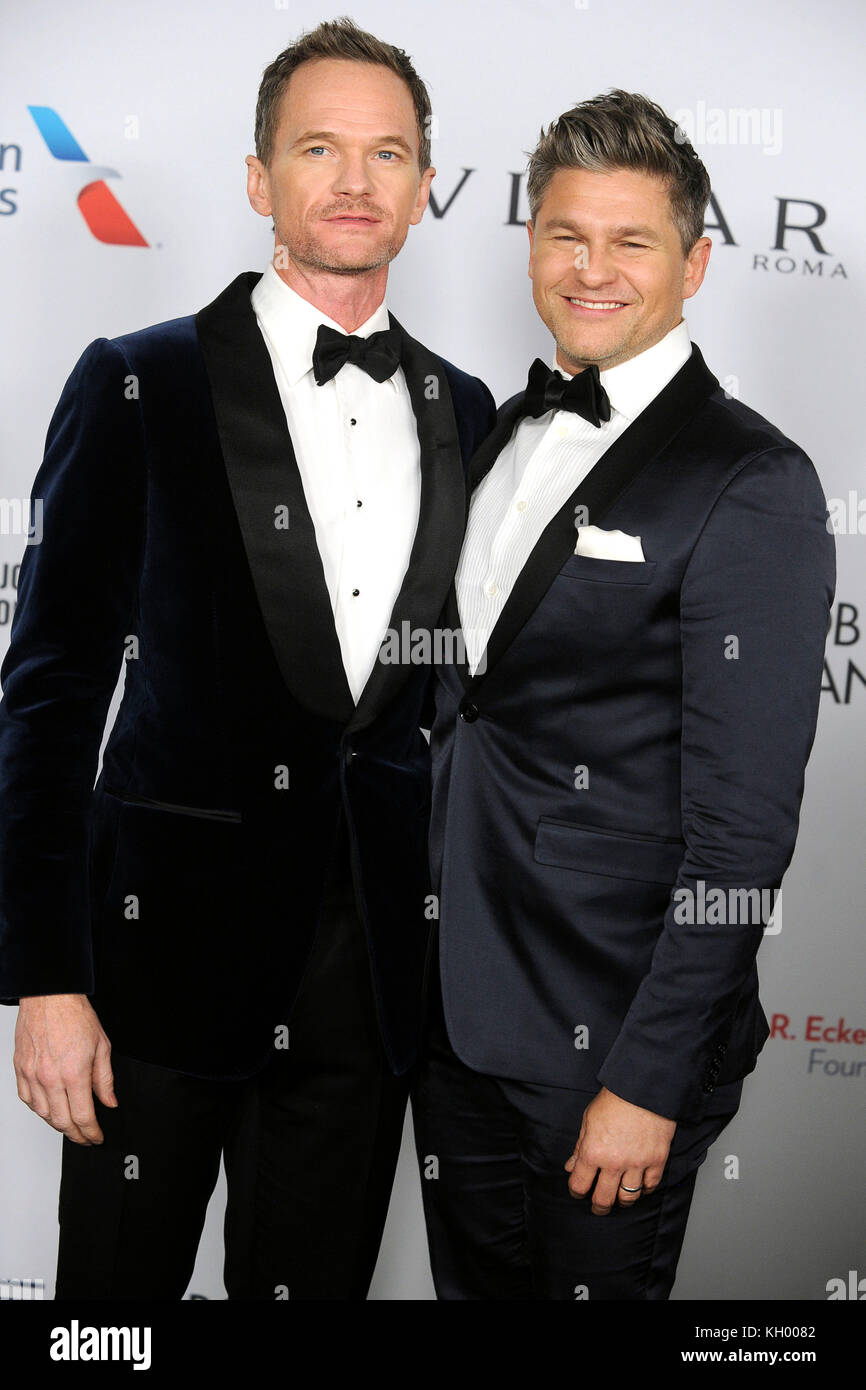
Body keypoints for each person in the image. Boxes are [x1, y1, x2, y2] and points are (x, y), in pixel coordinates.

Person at [0, 18, 494, 1300]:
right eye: (317, 147)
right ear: (257, 175)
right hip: (154, 978)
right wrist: (44, 975)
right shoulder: (136, 382)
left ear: (424, 185)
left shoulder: (466, 408)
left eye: (386, 152)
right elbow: (48, 694)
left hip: (366, 988)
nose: (352, 180)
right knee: (106, 1324)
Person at [413, 88, 835, 1300]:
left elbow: (743, 833)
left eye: (630, 242)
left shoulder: (748, 479)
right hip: (455, 1021)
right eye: (563, 234)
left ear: (693, 263)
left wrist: (646, 1078)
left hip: (608, 1045)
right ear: (530, 241)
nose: (589, 270)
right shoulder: (497, 432)